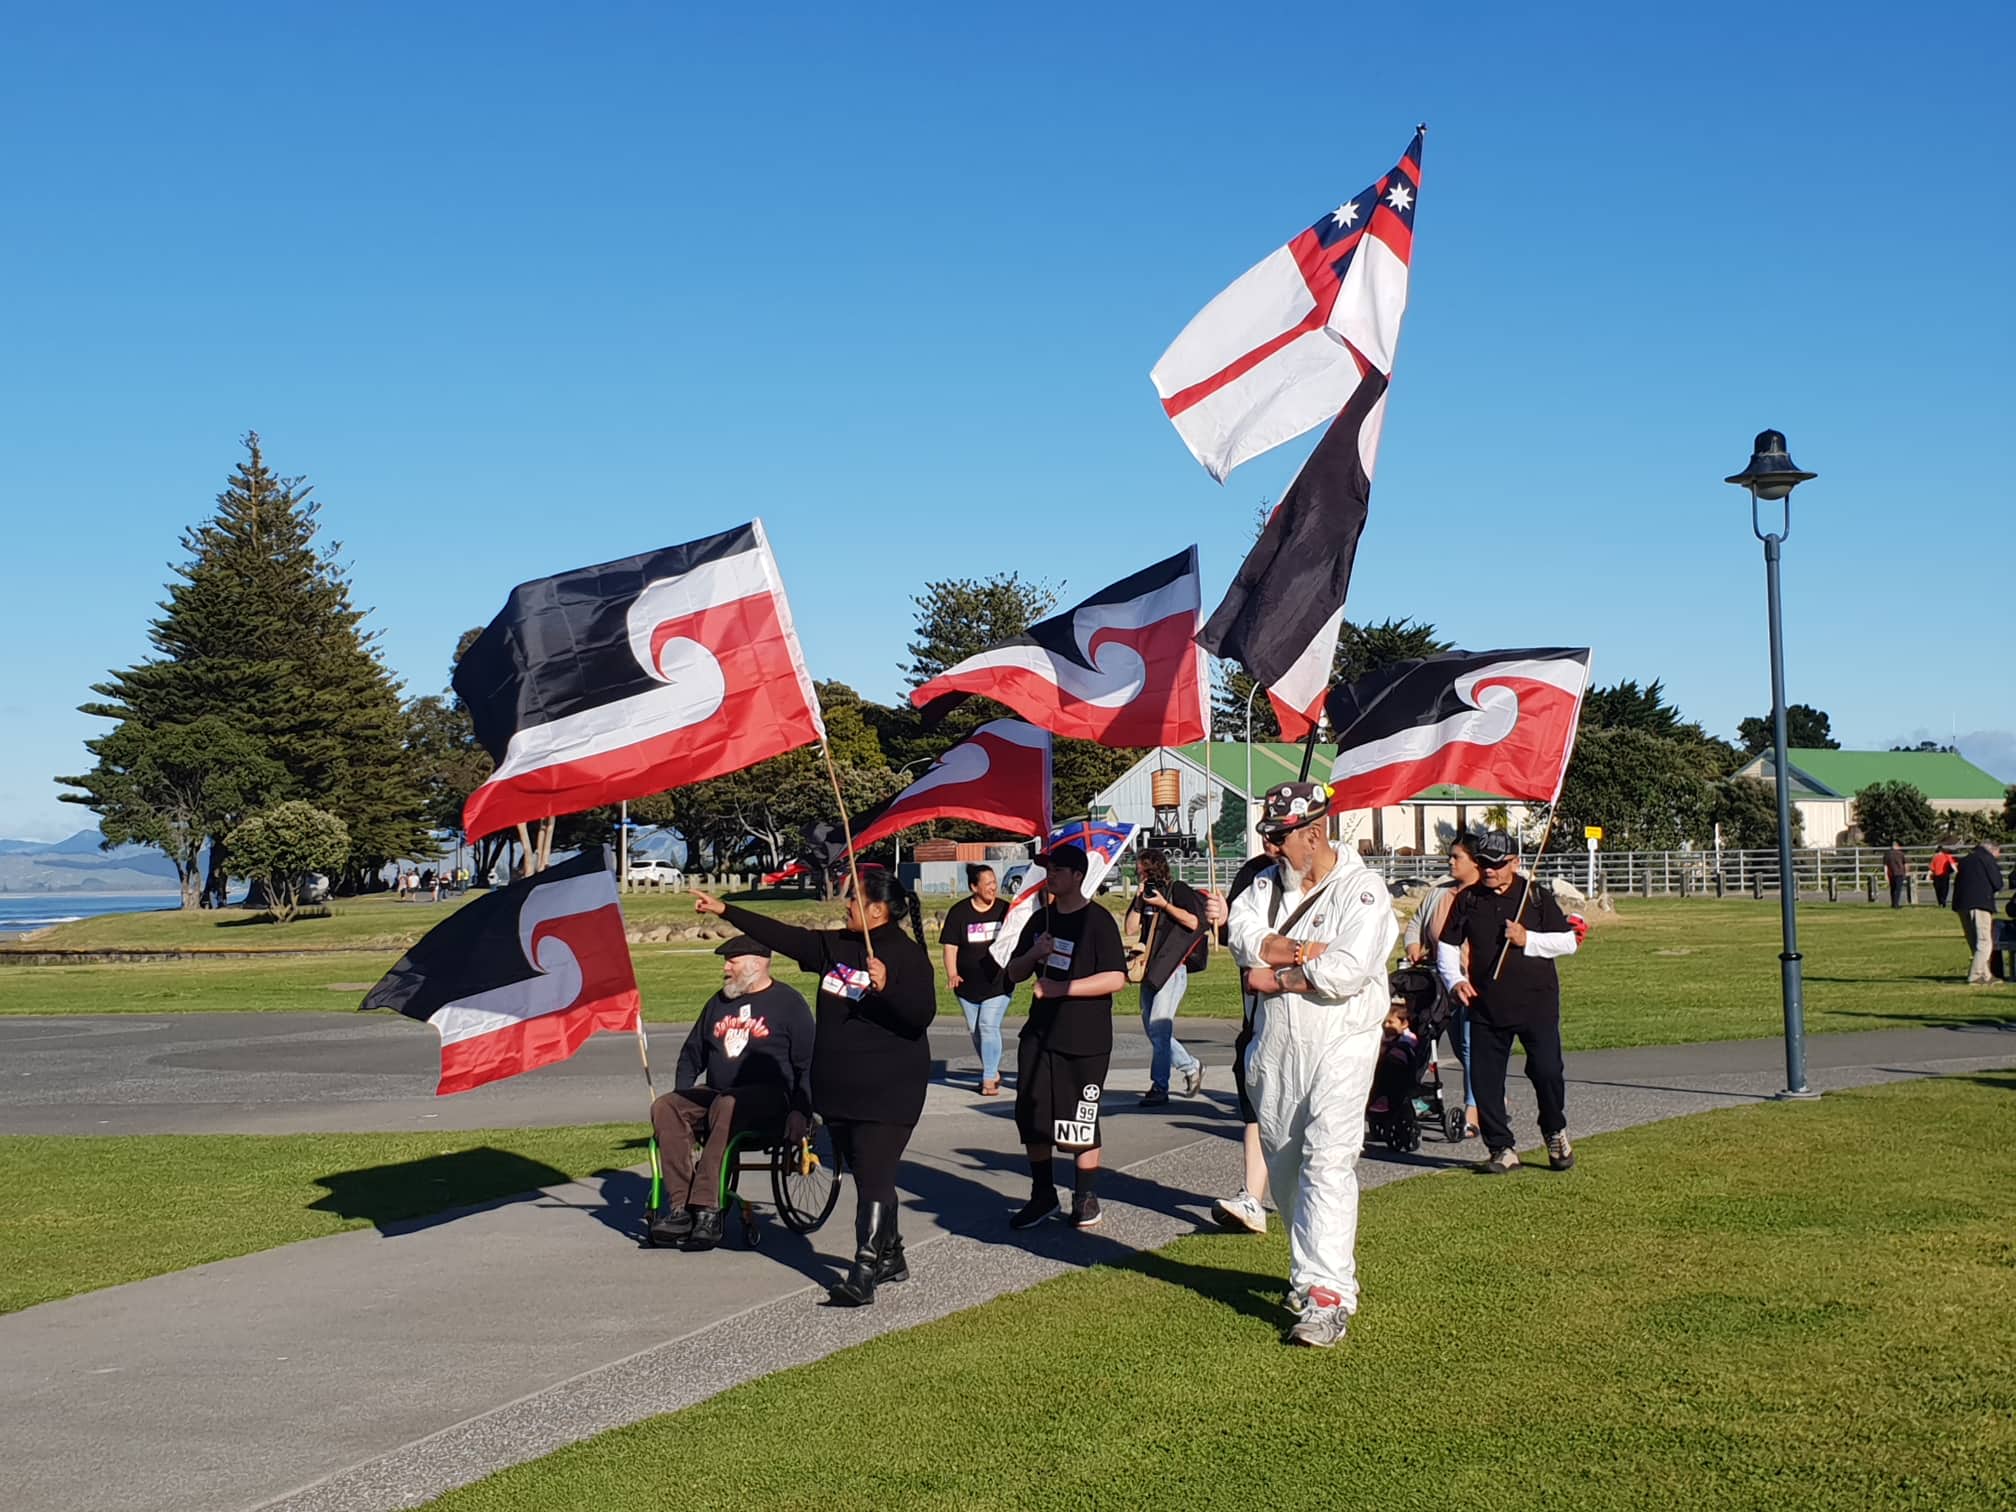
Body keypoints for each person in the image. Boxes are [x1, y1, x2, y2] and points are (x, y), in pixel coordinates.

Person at [692, 867, 936, 1306]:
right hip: (840, 1090)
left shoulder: (906, 956)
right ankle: (892, 1254)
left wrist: (887, 988)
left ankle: (864, 1270)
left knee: (875, 1173)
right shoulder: (836, 946)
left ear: (877, 910)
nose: (847, 905)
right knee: (871, 1175)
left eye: (854, 899)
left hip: (890, 1089)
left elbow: (920, 1016)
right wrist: (725, 909)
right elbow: (783, 936)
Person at [1227, 781, 1398, 1348]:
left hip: (1343, 1042)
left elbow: (1348, 970)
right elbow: (1243, 938)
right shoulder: (1262, 886)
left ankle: (1329, 1295)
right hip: (1275, 1047)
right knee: (1285, 1165)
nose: (1271, 848)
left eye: (1280, 838)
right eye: (1269, 836)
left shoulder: (1362, 890)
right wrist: (1304, 954)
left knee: (1328, 1159)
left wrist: (1276, 974)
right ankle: (1308, 1276)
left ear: (1315, 833)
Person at [647, 937, 815, 1250]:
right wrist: (685, 1097)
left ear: (757, 963)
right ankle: (681, 1207)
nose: (725, 968)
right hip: (719, 1095)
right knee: (666, 1106)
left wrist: (801, 1111)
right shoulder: (718, 1003)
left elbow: (807, 1064)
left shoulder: (788, 1003)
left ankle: (707, 1208)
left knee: (728, 1104)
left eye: (731, 961)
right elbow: (691, 1055)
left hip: (770, 1099)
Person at [1436, 831, 1580, 1175]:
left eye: (1497, 864)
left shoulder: (1535, 897)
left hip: (1536, 1003)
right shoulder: (1468, 899)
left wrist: (1527, 938)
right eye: (1483, 862)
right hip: (1485, 1005)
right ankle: (1501, 1148)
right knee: (1484, 1079)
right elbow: (1447, 944)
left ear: (1515, 862)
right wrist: (1454, 980)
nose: (1489, 870)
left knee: (1547, 1071)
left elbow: (1568, 942)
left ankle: (1554, 1130)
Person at [1003, 842, 1129, 1230]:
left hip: (1084, 1036)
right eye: (1048, 869)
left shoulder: (1098, 921)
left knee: (1080, 1118)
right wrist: (1033, 954)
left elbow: (1116, 978)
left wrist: (1063, 988)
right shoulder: (1040, 921)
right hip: (1040, 1035)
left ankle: (1085, 1196)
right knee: (1033, 1115)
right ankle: (1042, 1195)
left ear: (1078, 876)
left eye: (1058, 870)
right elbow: (1013, 973)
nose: (1051, 876)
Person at [1203, 837, 1281, 1235]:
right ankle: (1252, 1197)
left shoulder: (1322, 878)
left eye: (1280, 831)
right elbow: (1234, 935)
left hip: (1303, 1016)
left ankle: (1302, 1192)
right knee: (1254, 1098)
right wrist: (1222, 918)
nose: (1270, 838)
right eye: (1266, 828)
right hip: (1256, 1013)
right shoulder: (1253, 873)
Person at [1404, 834, 1483, 1138]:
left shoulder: (1483, 896)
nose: (1450, 862)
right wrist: (1413, 945)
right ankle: (1489, 1094)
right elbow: (1416, 923)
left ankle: (1473, 1111)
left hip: (1473, 982)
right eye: (1449, 856)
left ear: (1474, 862)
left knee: (1471, 1044)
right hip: (1439, 981)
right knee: (1450, 1043)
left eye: (1456, 857)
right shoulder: (1439, 893)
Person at [1124, 849, 1207, 1106]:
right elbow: (1130, 928)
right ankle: (1191, 1066)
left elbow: (1194, 922)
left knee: (1159, 1028)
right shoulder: (1144, 896)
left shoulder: (1177, 890)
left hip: (1172, 967)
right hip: (1150, 968)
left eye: (1145, 872)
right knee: (1154, 1031)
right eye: (1139, 873)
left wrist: (1164, 905)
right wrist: (1139, 900)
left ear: (1156, 870)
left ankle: (1159, 1087)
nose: (1142, 877)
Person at [940, 864, 1013, 1095]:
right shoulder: (959, 913)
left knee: (988, 1025)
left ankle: (988, 1079)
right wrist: (952, 973)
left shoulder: (1005, 910)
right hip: (967, 985)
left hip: (999, 982)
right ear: (974, 887)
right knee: (976, 1030)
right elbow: (950, 947)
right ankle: (993, 1070)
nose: (993, 887)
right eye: (987, 883)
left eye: (994, 882)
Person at [1952, 839, 2005, 986]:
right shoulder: (1987, 859)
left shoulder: (1965, 860)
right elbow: (1997, 883)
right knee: (1984, 941)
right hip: (1980, 903)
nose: (1998, 856)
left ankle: (1986, 975)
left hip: (1962, 904)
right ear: (1993, 849)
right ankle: (1975, 976)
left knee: (1974, 941)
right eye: (1998, 852)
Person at [1931, 844, 1958, 908]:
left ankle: (1940, 902)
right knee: (1944, 889)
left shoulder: (1934, 857)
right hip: (1945, 874)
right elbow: (1952, 864)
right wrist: (1956, 871)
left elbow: (1932, 868)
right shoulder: (1947, 856)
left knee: (1938, 889)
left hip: (1936, 875)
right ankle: (1943, 901)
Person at [1884, 842, 1910, 908]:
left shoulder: (1887, 854)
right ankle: (1896, 904)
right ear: (1898, 846)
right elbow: (1905, 864)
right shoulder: (1901, 854)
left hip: (1891, 873)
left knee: (1892, 889)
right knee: (1898, 889)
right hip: (1899, 873)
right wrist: (1906, 872)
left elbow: (1885, 865)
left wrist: (1885, 874)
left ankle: (1893, 903)